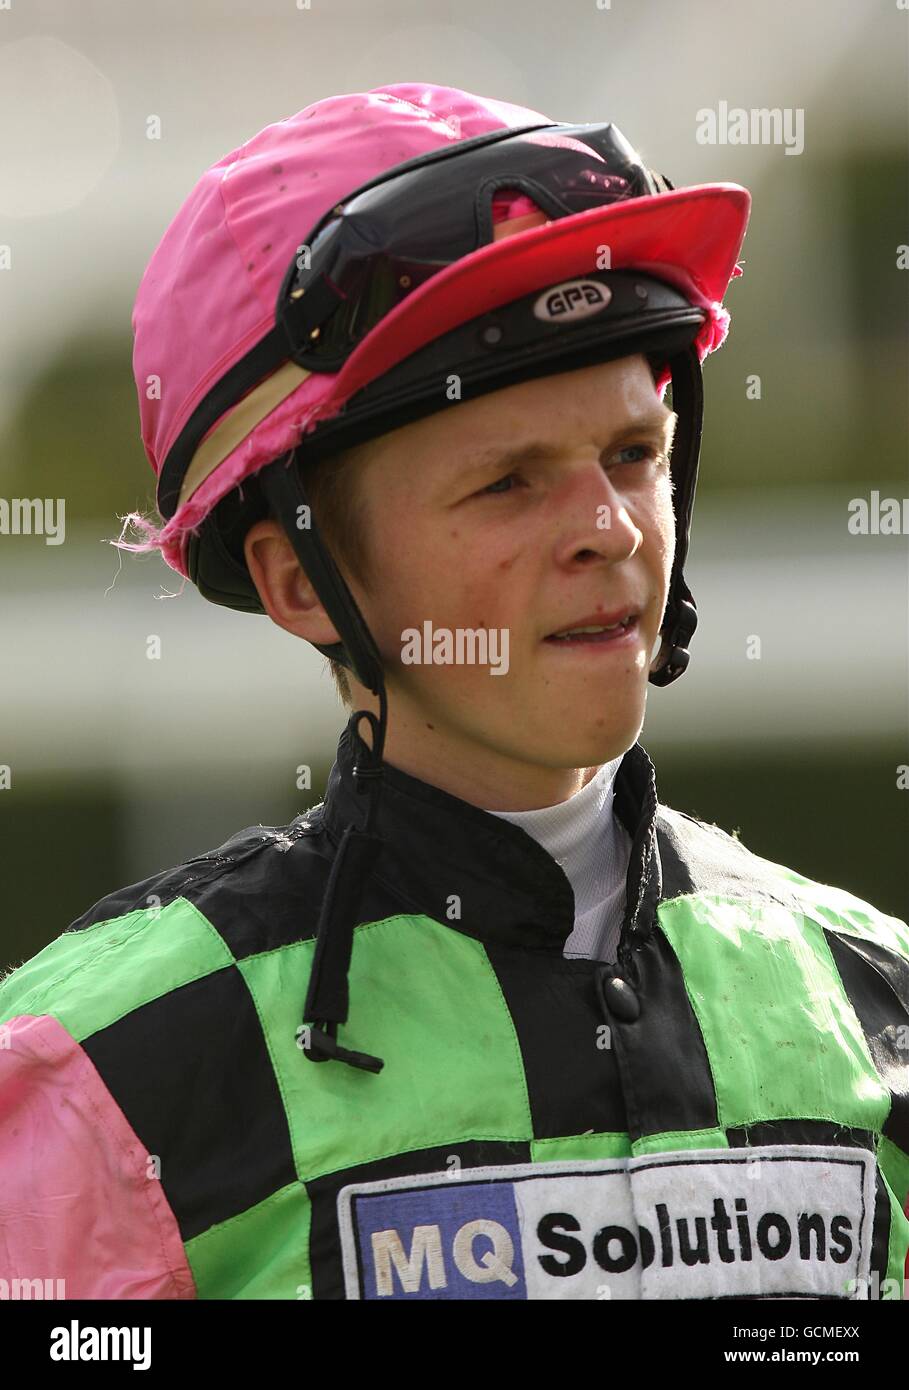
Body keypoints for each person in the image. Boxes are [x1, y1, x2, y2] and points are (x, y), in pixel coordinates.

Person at [1, 83, 907, 1302]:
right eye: (509, 483)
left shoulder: (876, 996)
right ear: (301, 582)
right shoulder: (90, 1071)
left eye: (632, 455)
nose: (606, 529)